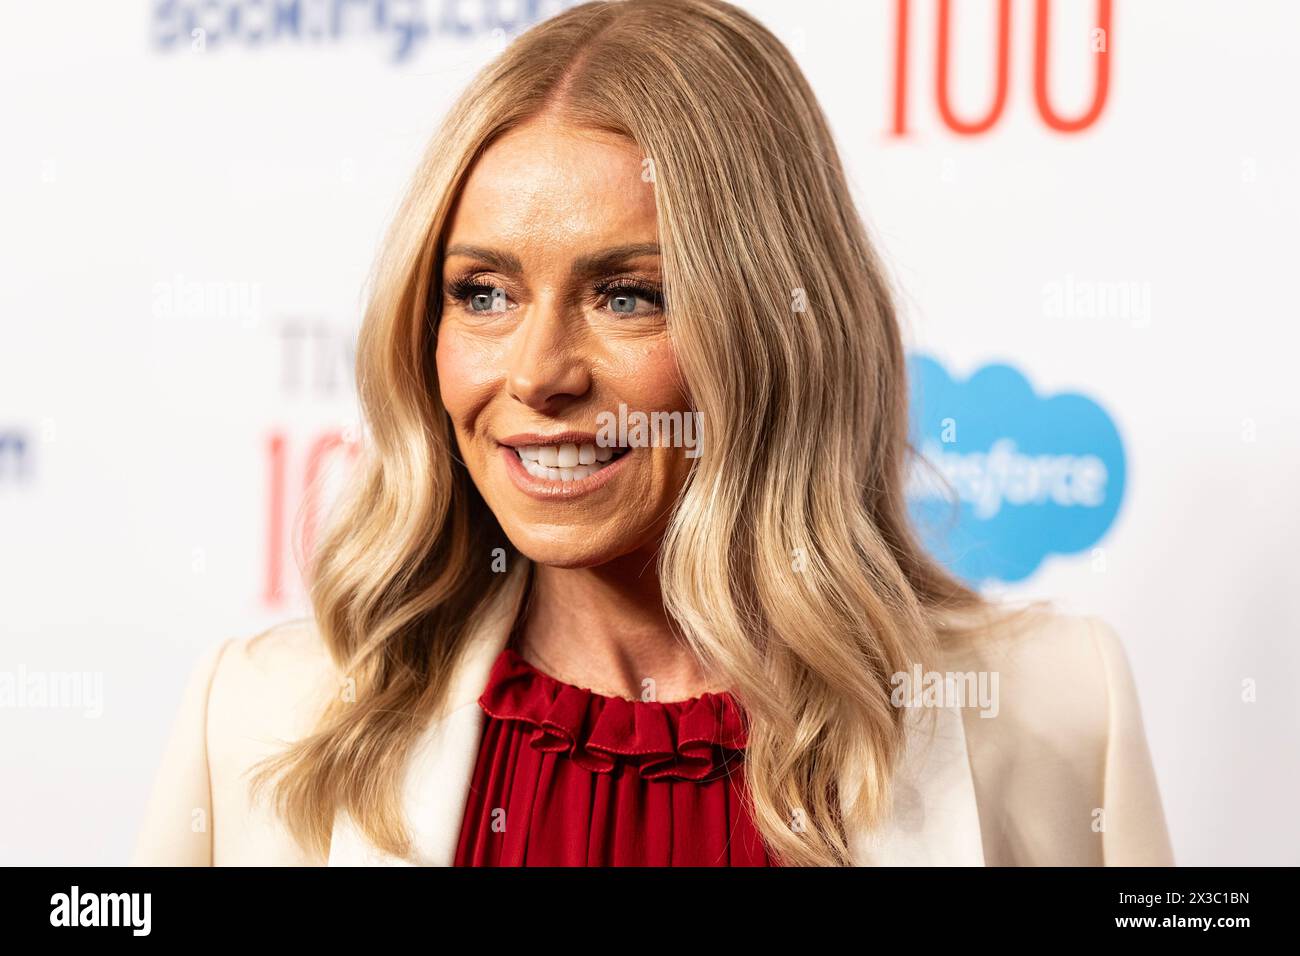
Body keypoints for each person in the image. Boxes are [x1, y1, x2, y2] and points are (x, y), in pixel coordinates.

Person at [132, 0, 1173, 867]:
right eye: (483, 291)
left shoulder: (1053, 711)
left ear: (775, 327)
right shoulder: (261, 720)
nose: (537, 373)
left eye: (628, 295)